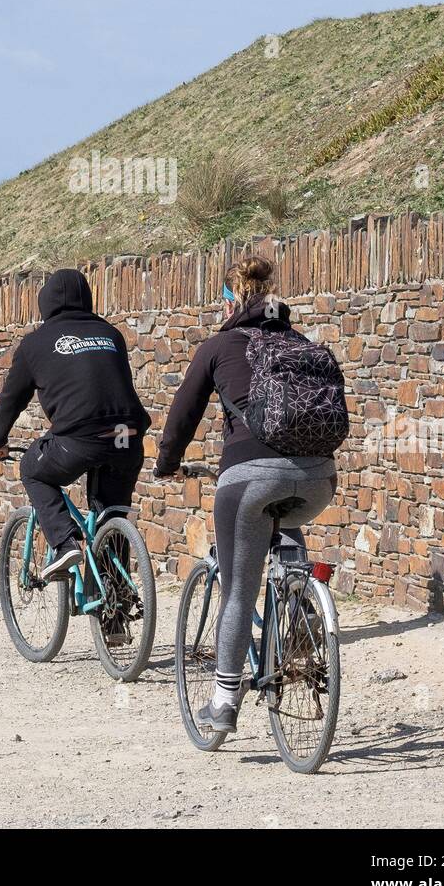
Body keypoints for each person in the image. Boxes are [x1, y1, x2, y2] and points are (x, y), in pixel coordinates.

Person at [155, 257, 337, 733]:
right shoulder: (302, 345)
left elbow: (181, 417)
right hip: (319, 480)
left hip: (250, 479)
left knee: (238, 589)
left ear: (230, 297)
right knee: (286, 523)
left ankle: (223, 700)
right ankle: (300, 609)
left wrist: (167, 465)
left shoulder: (219, 346)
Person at [0, 268, 150, 580]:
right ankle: (115, 618)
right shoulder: (110, 334)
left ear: (45, 301)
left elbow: (12, 399)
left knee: (32, 469)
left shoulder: (35, 344)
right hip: (127, 436)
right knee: (110, 515)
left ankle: (64, 542)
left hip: (80, 438)